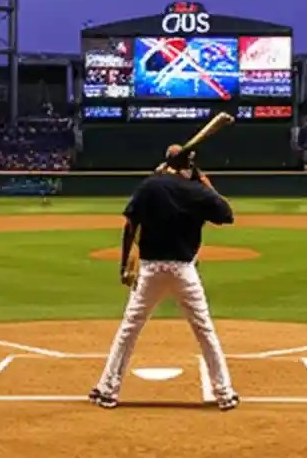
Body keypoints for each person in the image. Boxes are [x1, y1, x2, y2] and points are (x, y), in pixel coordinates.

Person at [89, 145, 239, 411]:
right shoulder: (196, 191)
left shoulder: (150, 186)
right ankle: (224, 393)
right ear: (189, 166)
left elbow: (130, 225)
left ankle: (107, 390)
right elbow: (227, 214)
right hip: (184, 272)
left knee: (128, 330)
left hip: (150, 270)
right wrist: (202, 180)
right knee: (205, 331)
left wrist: (125, 264)